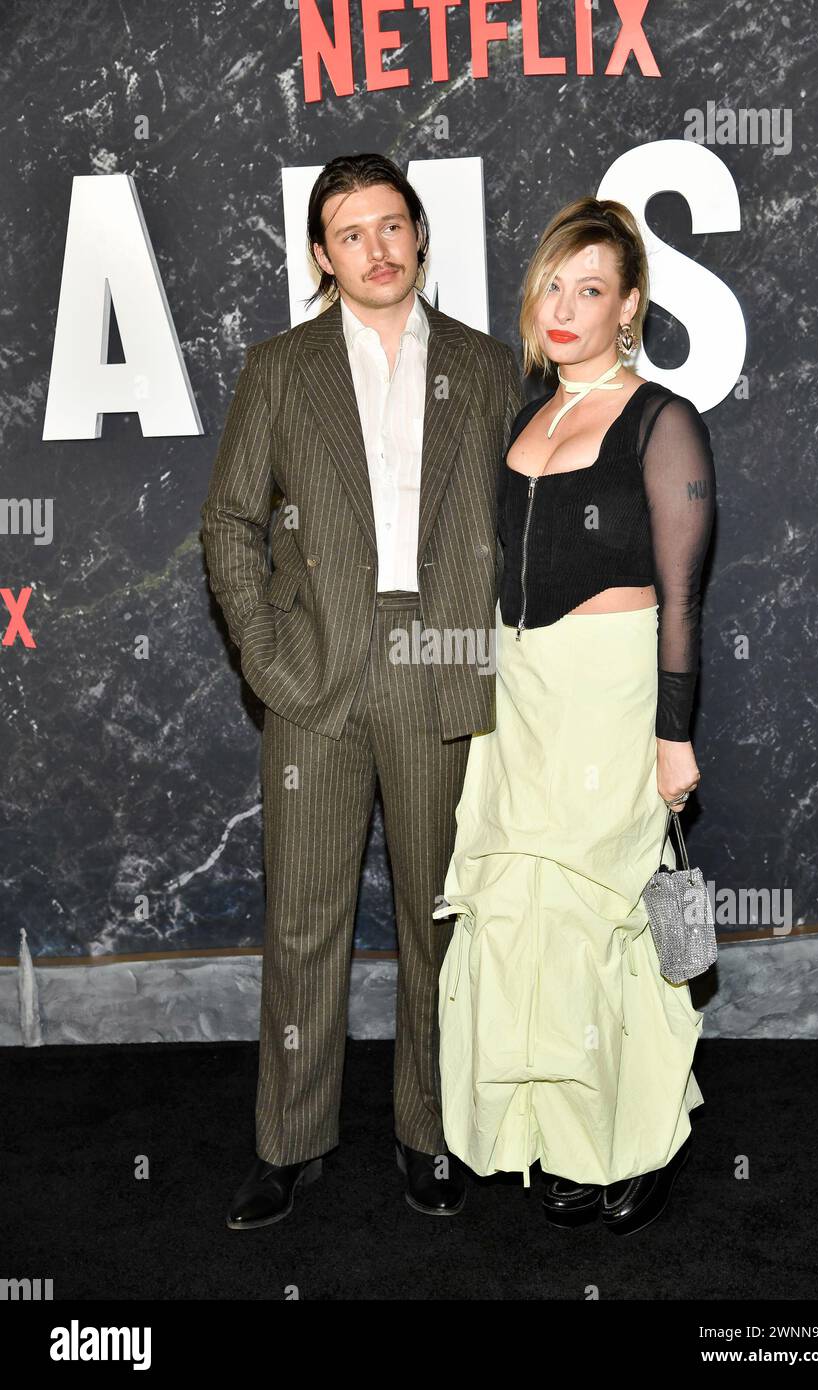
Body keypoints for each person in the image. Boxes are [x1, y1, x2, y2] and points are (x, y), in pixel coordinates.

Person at [200, 153, 523, 1229]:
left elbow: (525, 530)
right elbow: (231, 522)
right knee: (301, 921)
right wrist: (264, 648)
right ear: (319, 255)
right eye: (351, 233)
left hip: (446, 667)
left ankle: (429, 1134)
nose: (376, 248)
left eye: (392, 226)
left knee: (442, 918)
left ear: (419, 236)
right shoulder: (280, 367)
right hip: (318, 672)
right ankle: (288, 1142)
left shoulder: (486, 367)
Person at [432, 197, 717, 1236]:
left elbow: (682, 597)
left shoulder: (660, 417)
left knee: (602, 915)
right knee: (520, 917)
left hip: (610, 691)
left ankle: (632, 1144)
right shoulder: (524, 411)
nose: (563, 306)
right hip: (519, 690)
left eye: (589, 288)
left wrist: (673, 732)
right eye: (552, 283)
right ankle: (557, 1136)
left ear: (627, 305)